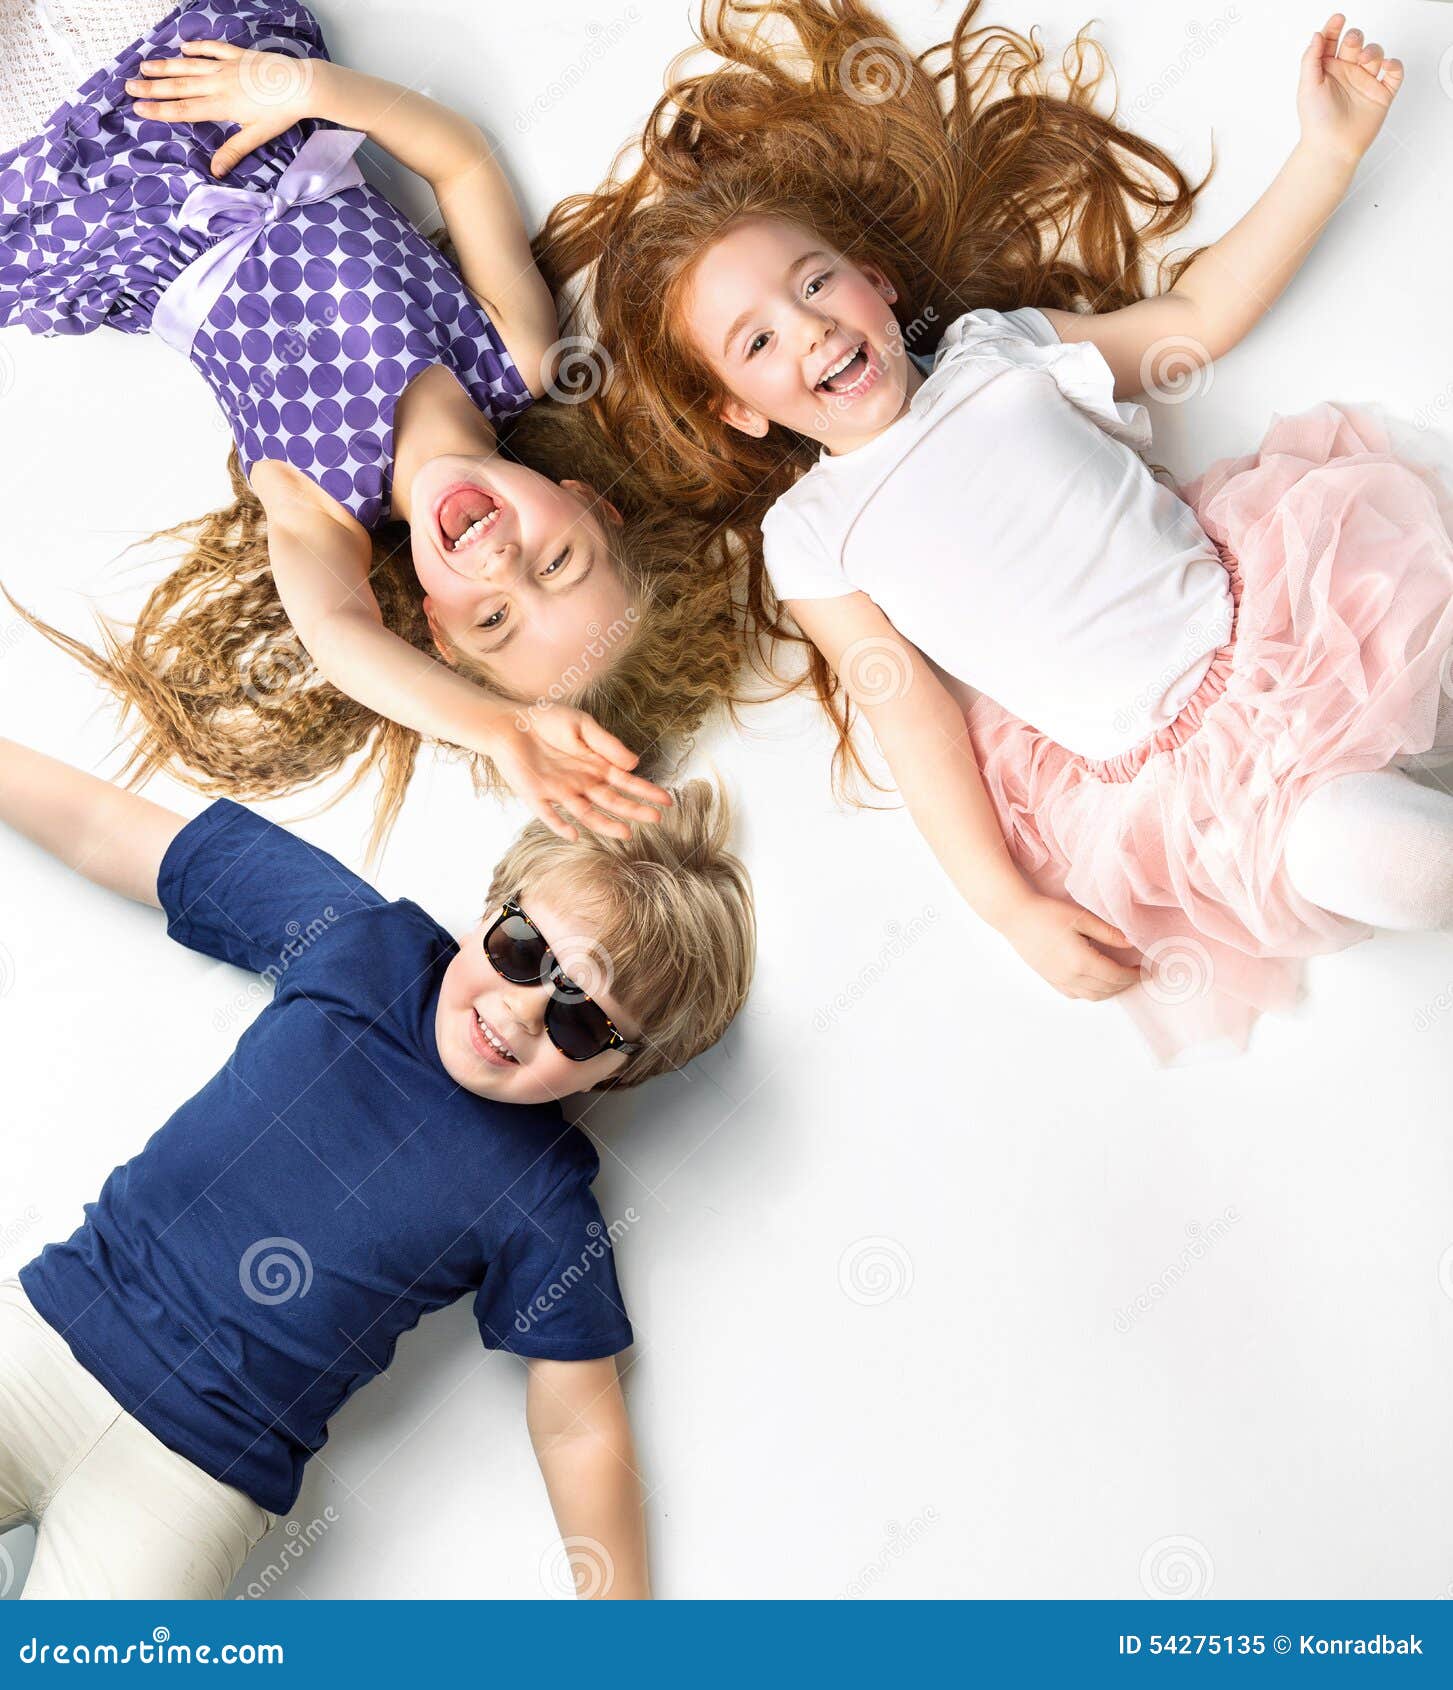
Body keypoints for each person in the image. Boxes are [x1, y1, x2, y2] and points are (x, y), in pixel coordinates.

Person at [536, 0, 1453, 1062]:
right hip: (1175, 781)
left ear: (875, 284)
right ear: (740, 409)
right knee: (1413, 866)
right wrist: (1005, 906)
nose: (815, 328)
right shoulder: (814, 534)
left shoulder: (994, 352)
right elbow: (911, 717)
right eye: (759, 339)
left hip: (1286, 621)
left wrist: (1326, 153)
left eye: (817, 282)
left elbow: (1190, 328)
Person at [0, 734, 756, 1596]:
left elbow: (577, 1419)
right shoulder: (360, 945)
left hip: (193, 1479)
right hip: (40, 1344)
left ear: (627, 1072)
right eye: (520, 951)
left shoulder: (543, 1193)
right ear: (491, 906)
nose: (520, 1012)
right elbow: (111, 831)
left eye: (582, 1025)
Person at [0, 0, 727, 853]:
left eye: (492, 617)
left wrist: (497, 729)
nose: (502, 562)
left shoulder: (320, 511)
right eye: (557, 562)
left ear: (438, 634)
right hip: (227, 85)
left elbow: (341, 640)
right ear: (589, 502)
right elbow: (458, 163)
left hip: (99, 205)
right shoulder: (512, 353)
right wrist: (302, 86)